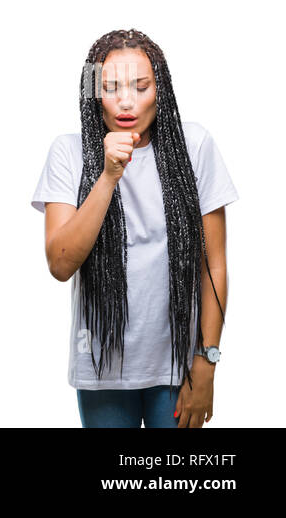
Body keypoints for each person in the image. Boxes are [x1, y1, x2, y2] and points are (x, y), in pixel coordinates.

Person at [33, 29, 235, 428]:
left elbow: (214, 266)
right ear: (94, 92)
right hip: (103, 368)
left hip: (178, 366)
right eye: (110, 87)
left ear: (162, 90)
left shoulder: (195, 146)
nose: (126, 100)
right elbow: (60, 264)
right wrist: (107, 176)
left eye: (141, 87)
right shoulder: (69, 152)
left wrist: (206, 360)